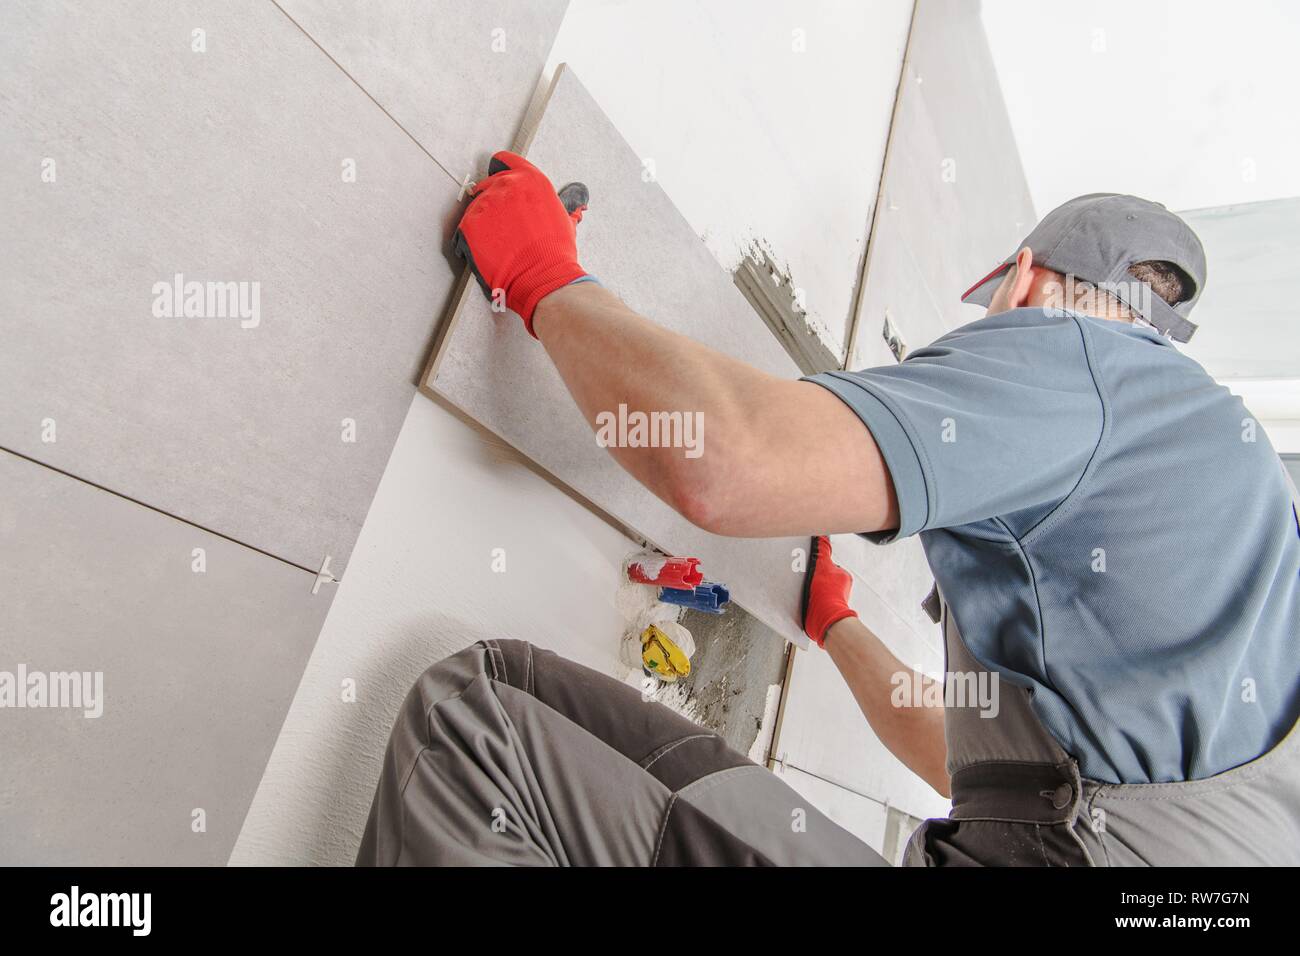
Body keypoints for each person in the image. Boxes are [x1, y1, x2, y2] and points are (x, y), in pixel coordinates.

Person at [361, 153, 1299, 866]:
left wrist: (541, 276)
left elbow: (725, 461)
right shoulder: (1249, 527)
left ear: (1027, 285)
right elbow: (961, 763)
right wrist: (838, 623)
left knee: (474, 724)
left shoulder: (1093, 364)